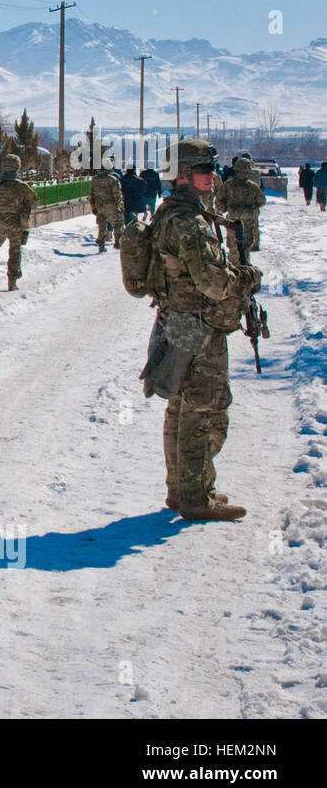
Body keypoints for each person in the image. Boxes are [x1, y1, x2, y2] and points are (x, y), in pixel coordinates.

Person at [140, 139, 260, 521]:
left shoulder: (171, 214)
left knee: (180, 408)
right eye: (205, 171)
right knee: (205, 410)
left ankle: (181, 491)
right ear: (182, 176)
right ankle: (195, 496)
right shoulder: (189, 223)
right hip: (199, 328)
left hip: (179, 323)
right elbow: (211, 283)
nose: (213, 177)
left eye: (212, 170)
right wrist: (244, 279)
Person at [0, 154, 37, 291]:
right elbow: (34, 203)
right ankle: (12, 282)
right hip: (16, 225)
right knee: (15, 252)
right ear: (17, 167)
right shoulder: (22, 187)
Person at [214, 156, 266, 253]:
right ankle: (243, 265)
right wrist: (252, 207)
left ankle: (237, 266)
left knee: (234, 249)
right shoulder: (253, 186)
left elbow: (219, 200)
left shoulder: (228, 185)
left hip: (233, 222)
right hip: (247, 222)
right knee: (245, 249)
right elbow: (261, 201)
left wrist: (224, 208)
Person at [88, 161, 124, 251]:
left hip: (99, 206)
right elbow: (117, 195)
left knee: (102, 226)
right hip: (111, 206)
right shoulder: (113, 179)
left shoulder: (94, 180)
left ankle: (101, 245)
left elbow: (90, 195)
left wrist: (93, 207)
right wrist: (120, 206)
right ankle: (118, 243)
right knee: (118, 224)